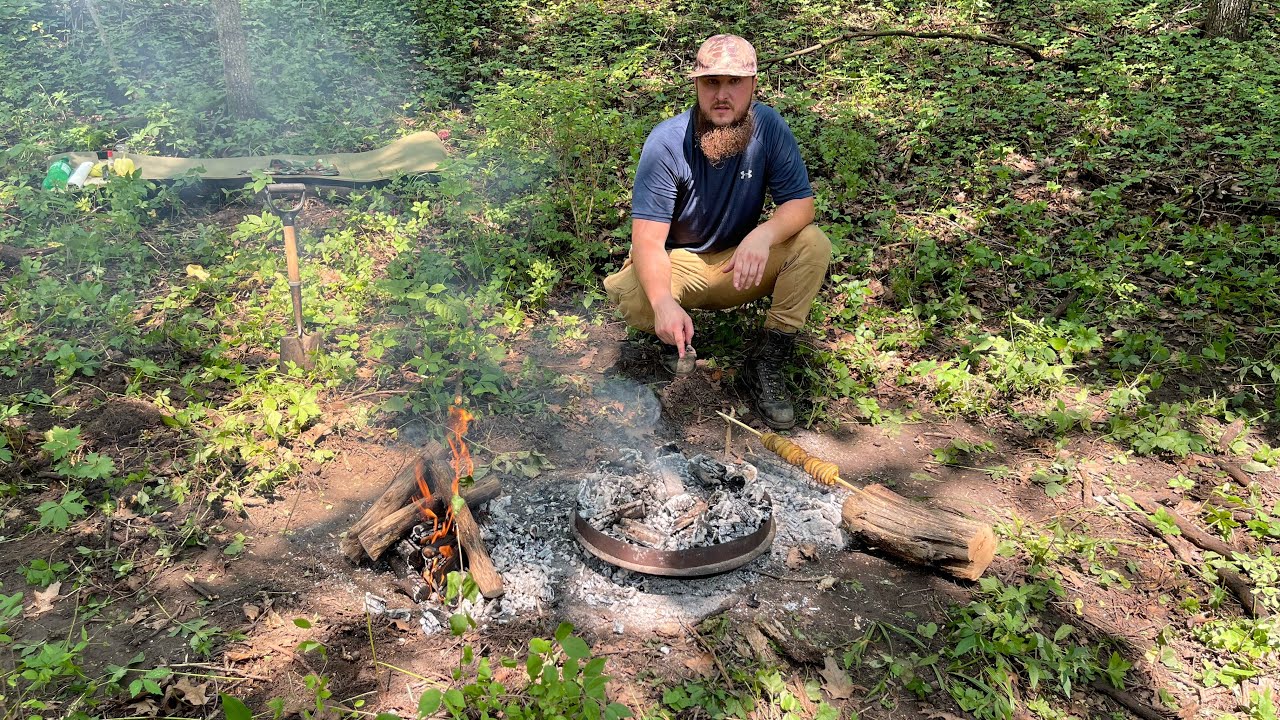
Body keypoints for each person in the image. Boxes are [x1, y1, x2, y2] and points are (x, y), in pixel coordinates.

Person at [604, 34, 832, 430]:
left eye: (734, 82)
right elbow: (647, 241)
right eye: (711, 82)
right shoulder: (667, 142)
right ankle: (670, 337)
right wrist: (663, 302)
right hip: (679, 265)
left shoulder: (768, 127)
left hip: (736, 265)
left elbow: (800, 204)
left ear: (753, 85)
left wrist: (763, 235)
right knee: (638, 296)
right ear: (696, 85)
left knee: (813, 243)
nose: (722, 95)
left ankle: (767, 359)